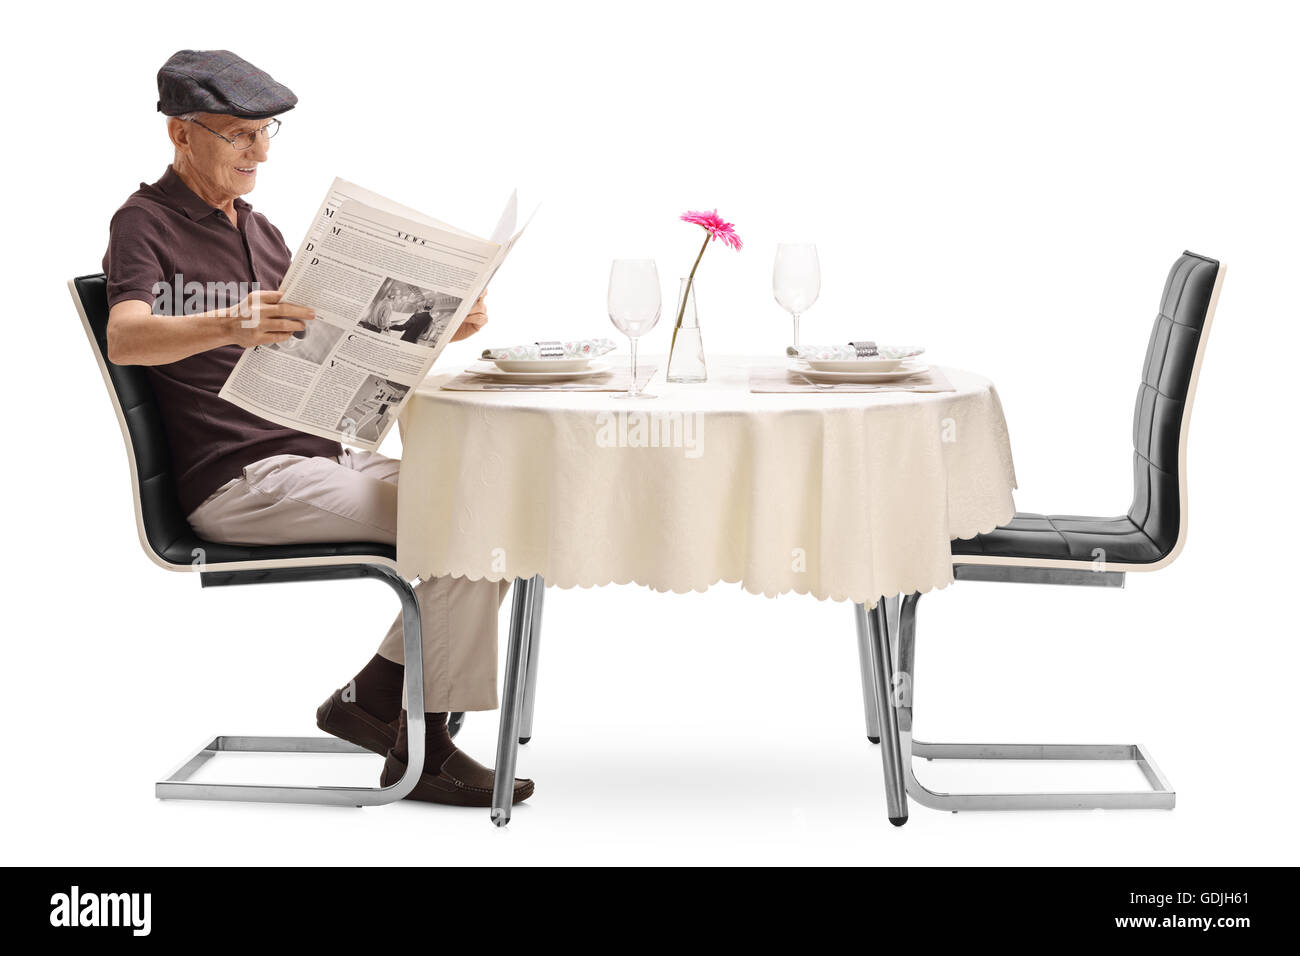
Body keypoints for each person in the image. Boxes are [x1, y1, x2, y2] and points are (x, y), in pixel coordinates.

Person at [101, 49, 530, 808]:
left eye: (265, 132)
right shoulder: (143, 222)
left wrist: (441, 326)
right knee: (467, 524)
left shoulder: (260, 230)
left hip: (321, 453)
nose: (260, 152)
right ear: (180, 133)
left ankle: (375, 700)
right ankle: (418, 742)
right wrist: (228, 322)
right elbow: (126, 337)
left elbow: (335, 341)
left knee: (498, 509)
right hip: (243, 481)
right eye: (238, 134)